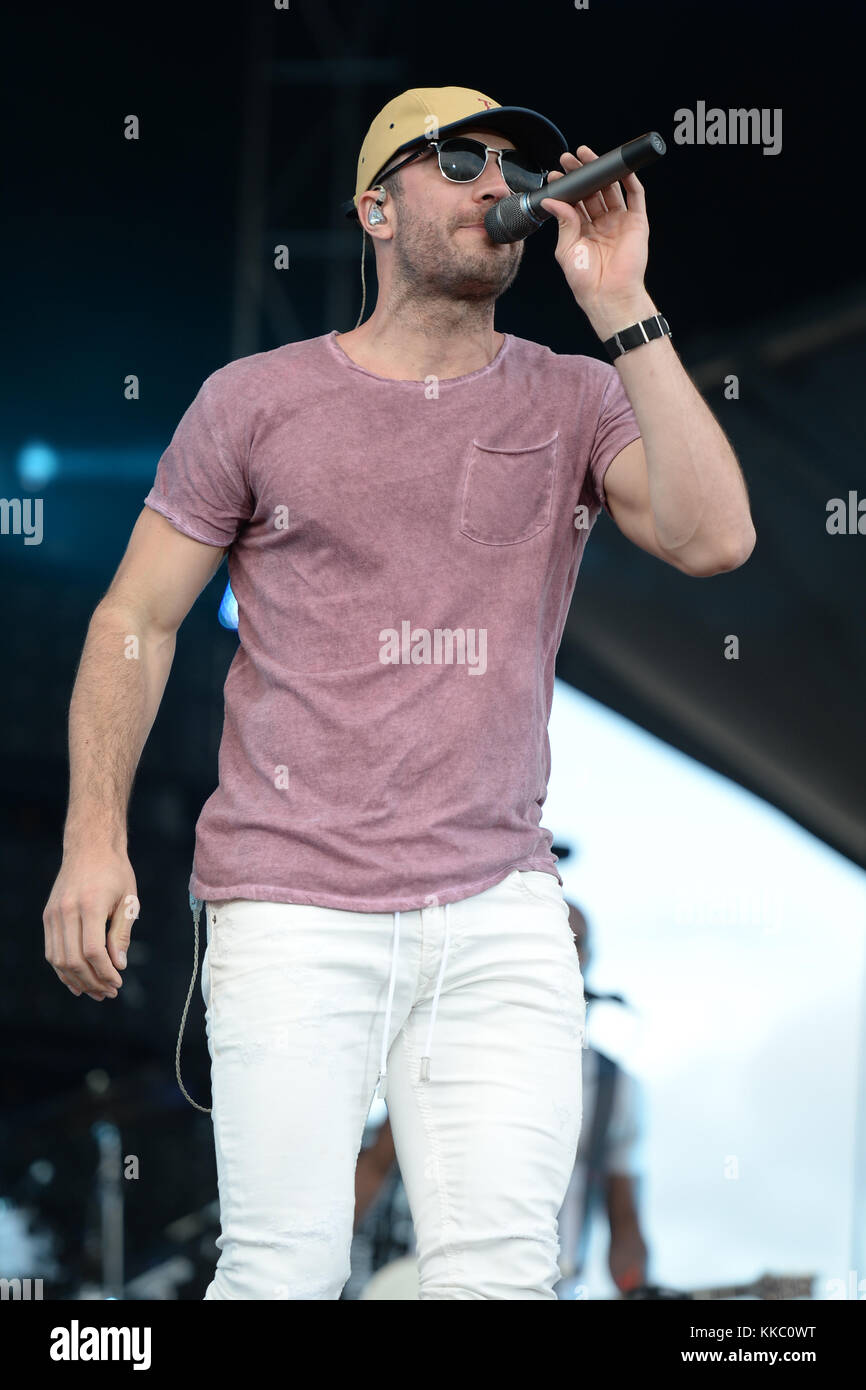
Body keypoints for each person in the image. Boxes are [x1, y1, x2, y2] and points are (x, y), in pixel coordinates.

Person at [42, 85, 755, 1300]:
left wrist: (621, 304)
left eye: (513, 168)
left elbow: (713, 538)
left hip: (496, 907)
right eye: (460, 161)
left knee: (496, 1277)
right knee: (283, 1270)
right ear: (374, 206)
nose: (496, 185)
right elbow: (135, 619)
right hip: (290, 896)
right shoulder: (254, 400)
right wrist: (91, 836)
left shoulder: (575, 395)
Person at [348, 901, 649, 1301]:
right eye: (547, 937)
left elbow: (623, 1214)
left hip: (548, 1286)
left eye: (572, 941)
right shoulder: (450, 1047)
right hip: (427, 1282)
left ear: (586, 957)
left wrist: (636, 1284)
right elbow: (375, 1166)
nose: (559, 949)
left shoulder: (616, 1088)